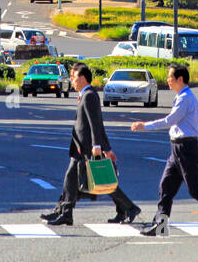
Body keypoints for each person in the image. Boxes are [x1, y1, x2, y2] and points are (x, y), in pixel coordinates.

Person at [130, 64, 198, 236]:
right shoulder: (186, 97)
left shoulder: (185, 99)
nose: (168, 80)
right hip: (179, 149)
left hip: (186, 148)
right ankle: (160, 225)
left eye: (170, 77)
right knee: (165, 187)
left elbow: (170, 120)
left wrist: (144, 126)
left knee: (196, 190)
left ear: (180, 79)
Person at [41, 64, 141, 226]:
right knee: (75, 180)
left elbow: (96, 124)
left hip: (87, 148)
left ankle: (128, 208)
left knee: (99, 180)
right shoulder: (85, 94)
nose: (72, 81)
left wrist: (98, 146)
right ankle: (64, 211)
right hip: (81, 147)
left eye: (74, 78)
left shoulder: (89, 96)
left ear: (82, 78)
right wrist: (105, 147)